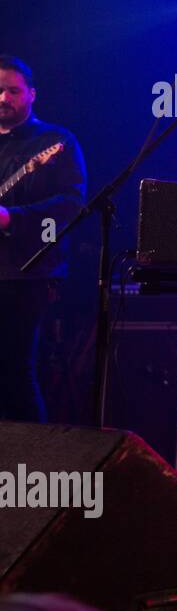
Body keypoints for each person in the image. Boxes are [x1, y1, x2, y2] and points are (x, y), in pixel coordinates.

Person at [0, 55, 87, 422]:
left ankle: (33, 469)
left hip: (26, 273)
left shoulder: (56, 141)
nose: (3, 98)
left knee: (15, 372)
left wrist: (11, 218)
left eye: (12, 90)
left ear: (32, 94)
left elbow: (72, 203)